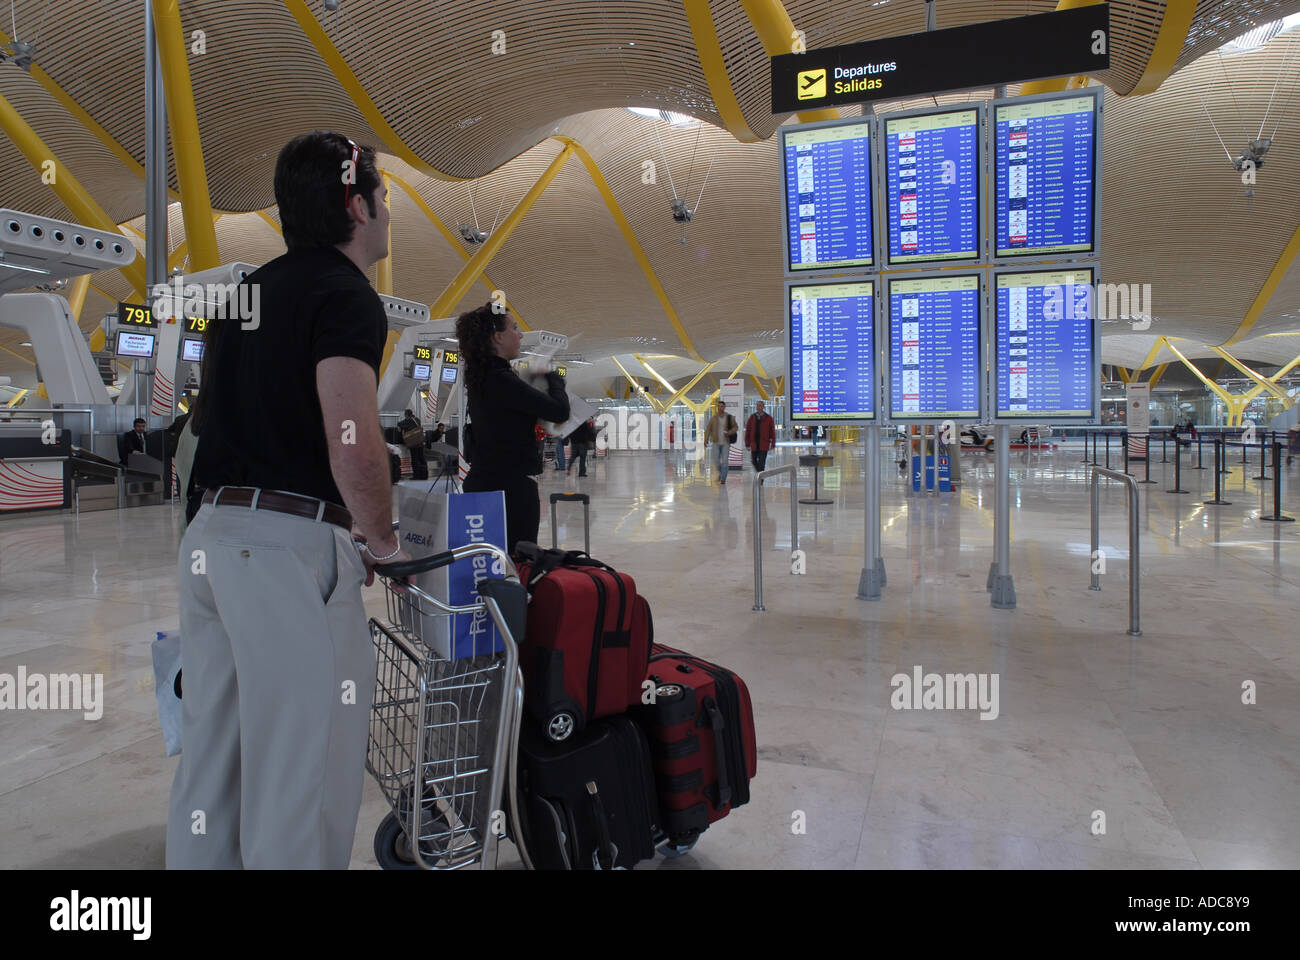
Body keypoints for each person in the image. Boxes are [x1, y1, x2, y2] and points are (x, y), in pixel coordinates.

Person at [169, 131, 410, 870]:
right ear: (355, 204)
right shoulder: (346, 296)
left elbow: (210, 422)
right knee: (301, 771)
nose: (388, 213)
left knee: (216, 755)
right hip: (284, 552)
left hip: (212, 536)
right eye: (383, 198)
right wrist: (381, 541)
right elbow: (351, 438)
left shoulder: (244, 294)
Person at [456, 302, 569, 553]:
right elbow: (559, 411)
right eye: (514, 328)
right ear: (498, 337)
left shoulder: (481, 377)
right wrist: (554, 378)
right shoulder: (501, 380)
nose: (519, 335)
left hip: (483, 483)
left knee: (488, 561)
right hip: (510, 490)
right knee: (519, 563)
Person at [702, 399, 737, 484]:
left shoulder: (729, 417)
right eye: (719, 406)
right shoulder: (713, 418)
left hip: (726, 443)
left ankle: (723, 479)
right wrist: (706, 439)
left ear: (724, 407)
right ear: (717, 407)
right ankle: (721, 474)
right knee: (716, 461)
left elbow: (736, 427)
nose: (720, 408)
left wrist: (729, 432)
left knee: (725, 462)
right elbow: (708, 429)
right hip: (716, 443)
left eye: (722, 406)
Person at [745, 400, 776, 473]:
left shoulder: (769, 418)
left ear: (763, 407)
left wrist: (773, 443)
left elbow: (772, 431)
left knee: (762, 463)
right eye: (757, 405)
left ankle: (760, 479)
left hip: (764, 443)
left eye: (760, 405)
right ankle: (760, 474)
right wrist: (747, 443)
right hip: (754, 443)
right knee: (753, 461)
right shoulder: (752, 418)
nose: (758, 407)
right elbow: (748, 431)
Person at [397, 407, 428, 480]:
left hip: (413, 444)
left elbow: (399, 424)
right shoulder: (417, 420)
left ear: (406, 415)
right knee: (422, 459)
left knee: (415, 459)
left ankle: (416, 476)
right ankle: (424, 475)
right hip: (420, 442)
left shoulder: (407, 421)